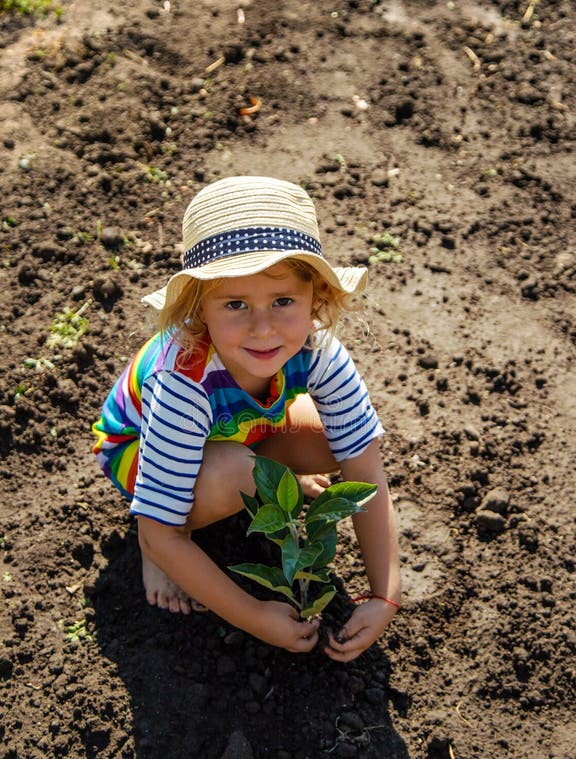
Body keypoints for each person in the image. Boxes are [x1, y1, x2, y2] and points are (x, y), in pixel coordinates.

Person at [92, 175, 401, 662]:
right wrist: (254, 616)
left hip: (235, 430)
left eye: (283, 302)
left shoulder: (318, 348)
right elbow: (162, 528)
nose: (263, 328)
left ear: (315, 298)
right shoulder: (183, 380)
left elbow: (365, 469)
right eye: (235, 304)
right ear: (199, 310)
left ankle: (241, 481)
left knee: (332, 441)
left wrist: (385, 593)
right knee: (236, 475)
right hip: (136, 448)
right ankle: (160, 546)